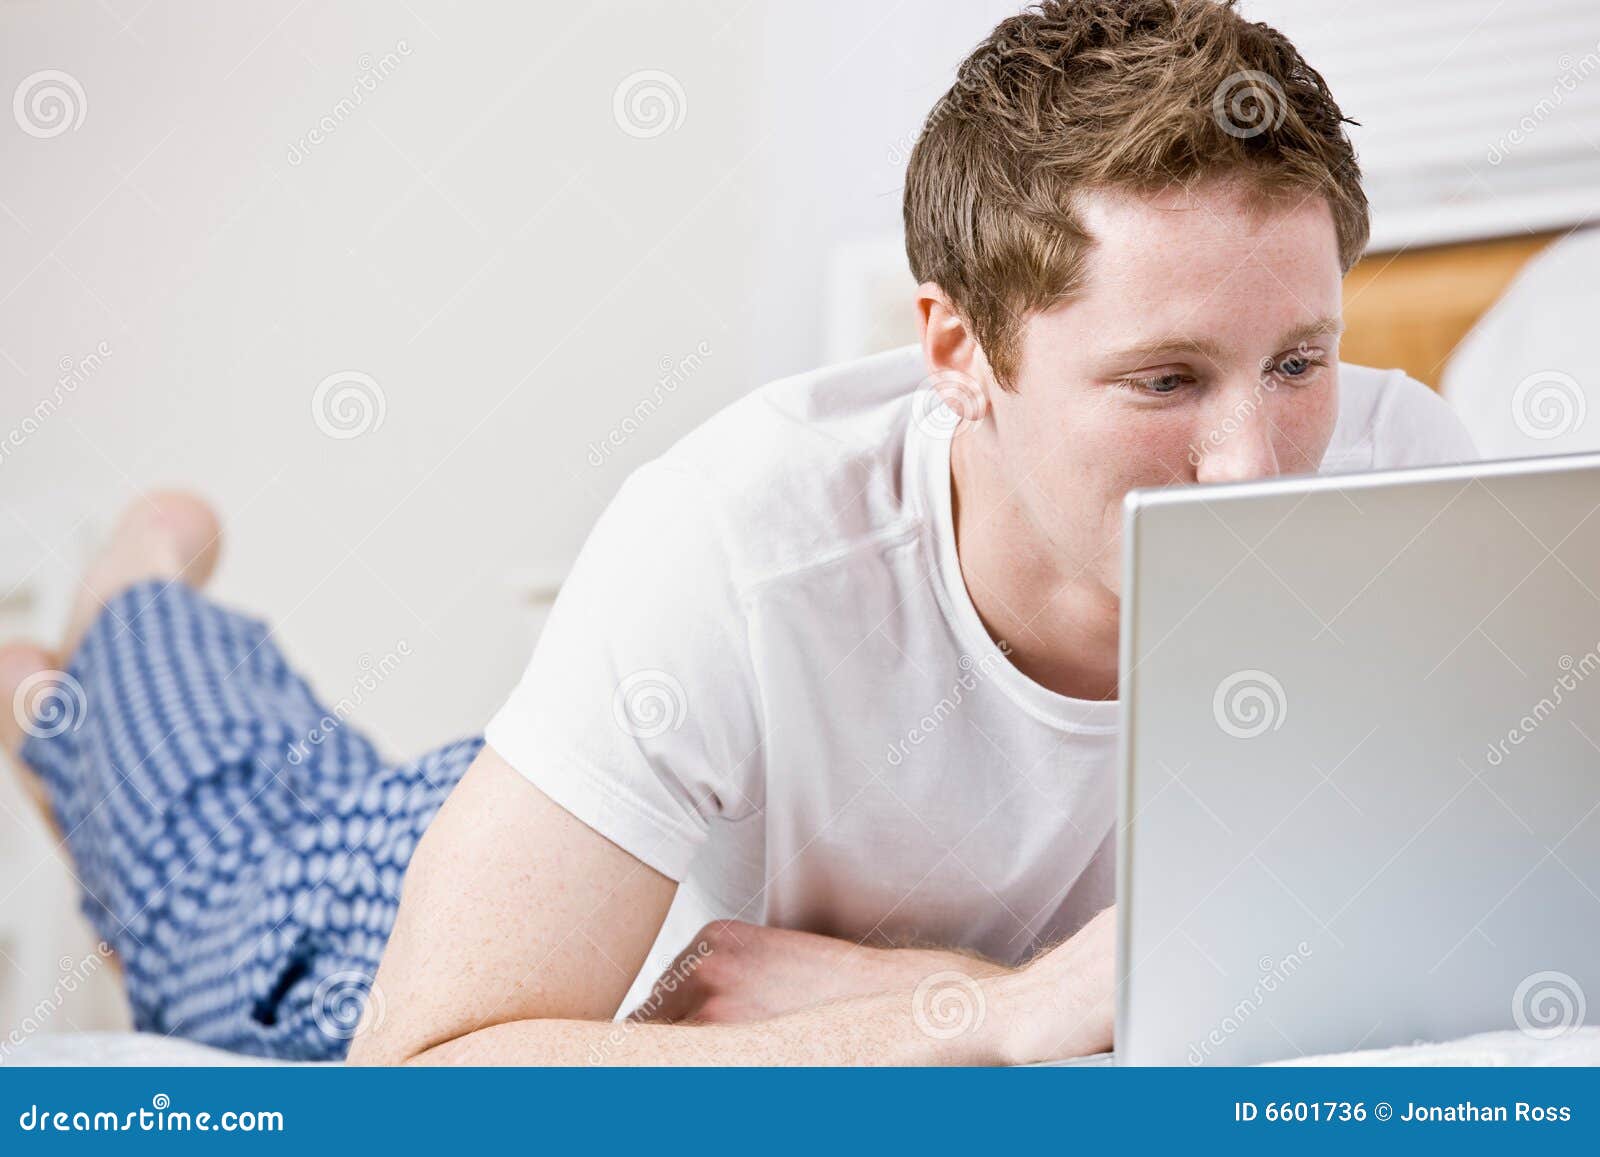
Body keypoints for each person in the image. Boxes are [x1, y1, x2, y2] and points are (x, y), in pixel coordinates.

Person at [1, 0, 1478, 1065]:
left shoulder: (1406, 487)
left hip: (648, 833)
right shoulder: (737, 538)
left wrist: (933, 1001)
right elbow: (431, 1064)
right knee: (225, 881)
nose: (1253, 465)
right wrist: (1002, 1010)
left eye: (1300, 361)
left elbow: (1457, 920)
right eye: (1164, 381)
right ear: (959, 353)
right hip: (500, 882)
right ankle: (126, 615)